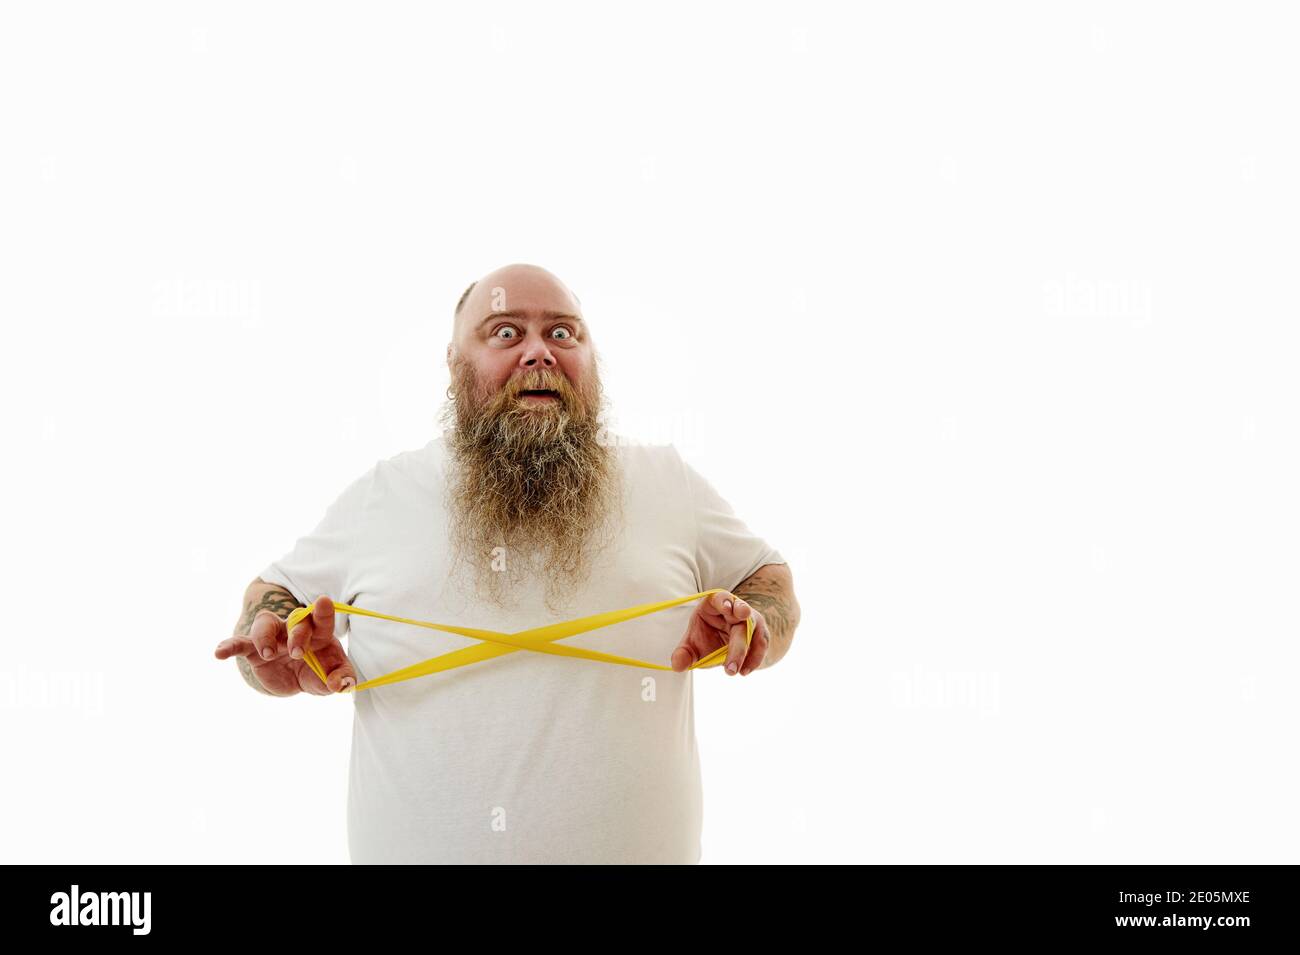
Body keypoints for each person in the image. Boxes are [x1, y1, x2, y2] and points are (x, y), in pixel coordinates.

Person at [213, 262, 801, 863]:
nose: (539, 352)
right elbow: (273, 600)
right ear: (453, 366)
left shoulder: (668, 484)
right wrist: (273, 652)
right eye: (504, 332)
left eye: (564, 333)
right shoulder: (383, 496)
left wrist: (755, 621)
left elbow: (767, 578)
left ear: (592, 361)